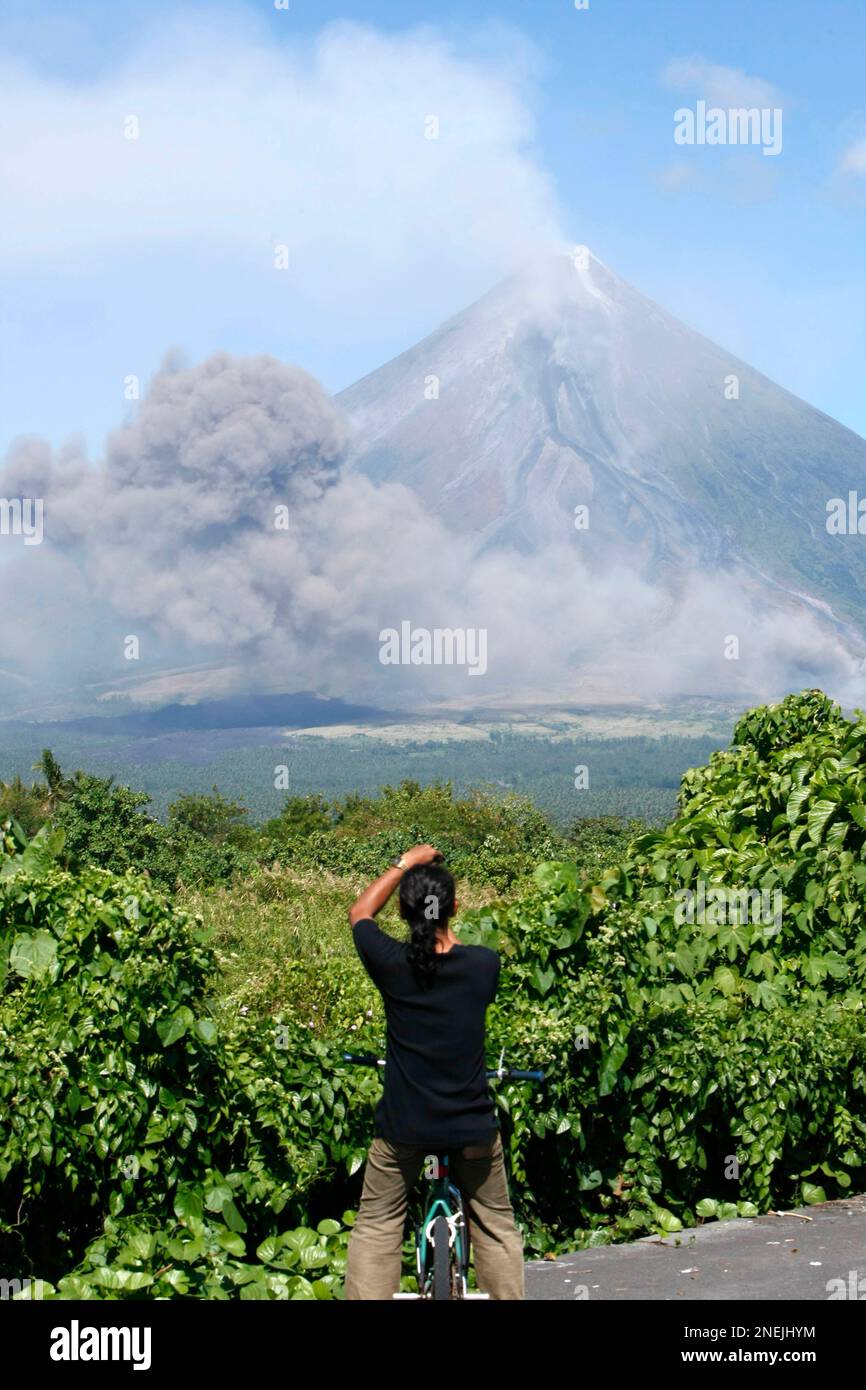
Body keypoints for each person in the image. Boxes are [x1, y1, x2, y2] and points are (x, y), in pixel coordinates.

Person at [343, 842, 525, 1300]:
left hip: (404, 1126)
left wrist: (405, 863)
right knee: (496, 1223)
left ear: (404, 912)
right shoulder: (484, 966)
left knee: (378, 1224)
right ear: (455, 907)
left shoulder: (392, 965)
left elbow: (360, 912)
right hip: (470, 1127)